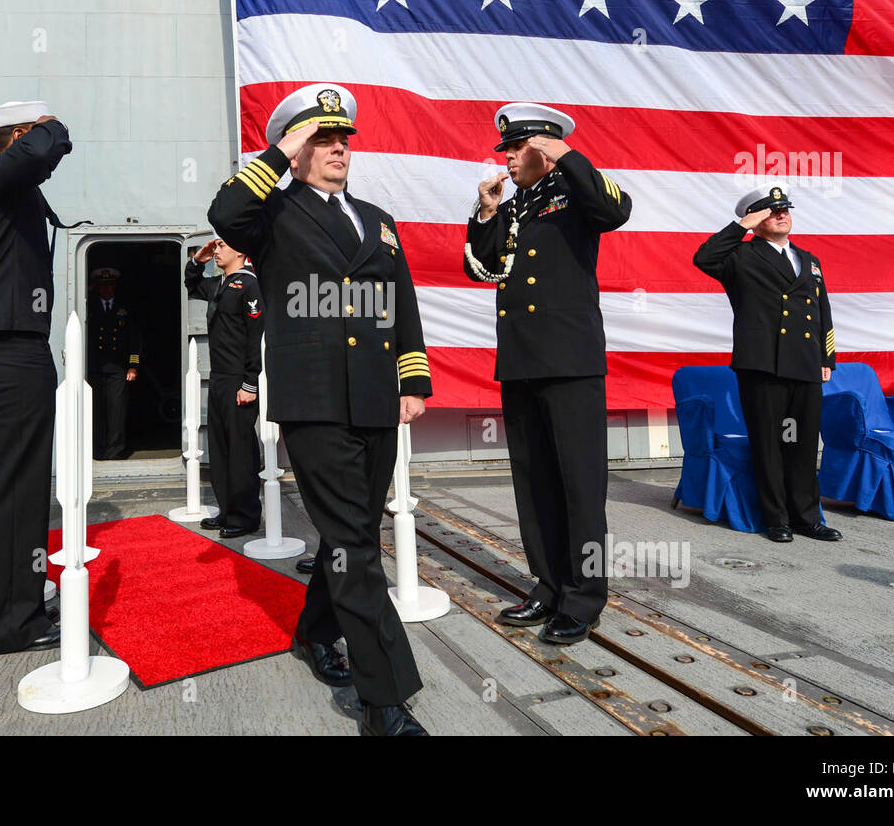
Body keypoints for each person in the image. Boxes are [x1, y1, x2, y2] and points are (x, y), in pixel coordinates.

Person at [209, 83, 433, 736]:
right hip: (314, 402)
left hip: (374, 399)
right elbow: (226, 211)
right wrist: (282, 147)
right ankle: (384, 700)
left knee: (347, 537)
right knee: (360, 550)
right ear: (298, 149)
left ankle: (312, 632)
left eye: (343, 139)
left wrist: (411, 377)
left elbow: (402, 304)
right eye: (322, 139)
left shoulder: (378, 217)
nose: (337, 148)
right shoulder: (273, 216)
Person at [464, 103, 632, 646]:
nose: (507, 159)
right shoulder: (517, 207)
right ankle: (548, 583)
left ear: (544, 147)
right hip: (522, 359)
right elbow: (482, 268)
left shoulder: (577, 191)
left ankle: (583, 596)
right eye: (506, 151)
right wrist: (487, 213)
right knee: (534, 481)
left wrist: (567, 155)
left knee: (579, 485)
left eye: (517, 149)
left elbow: (616, 210)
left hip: (571, 359)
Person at [0, 100, 76, 654]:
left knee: (0, 486)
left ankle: (6, 601)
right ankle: (8, 624)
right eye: (35, 132)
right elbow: (45, 146)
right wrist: (50, 128)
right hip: (10, 352)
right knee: (18, 489)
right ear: (20, 135)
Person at [693, 185, 841, 543]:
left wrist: (826, 357)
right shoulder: (740, 257)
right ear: (756, 220)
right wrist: (742, 225)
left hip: (805, 365)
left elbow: (822, 311)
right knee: (769, 444)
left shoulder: (809, 259)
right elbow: (703, 257)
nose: (781, 214)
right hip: (764, 365)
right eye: (771, 211)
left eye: (785, 208)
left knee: (803, 444)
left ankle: (807, 517)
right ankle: (776, 519)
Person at [185, 238, 264, 538]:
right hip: (218, 377)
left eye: (221, 246)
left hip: (238, 379)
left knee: (241, 449)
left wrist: (249, 383)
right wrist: (198, 260)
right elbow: (192, 285)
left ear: (241, 251)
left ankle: (245, 516)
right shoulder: (221, 284)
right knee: (219, 449)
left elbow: (255, 339)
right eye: (214, 246)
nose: (216, 250)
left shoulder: (249, 286)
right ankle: (228, 510)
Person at [85, 267, 139, 460]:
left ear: (115, 286)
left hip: (118, 369)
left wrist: (133, 366)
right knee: (96, 410)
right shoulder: (88, 306)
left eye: (110, 285)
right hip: (94, 368)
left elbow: (134, 339)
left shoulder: (124, 308)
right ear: (97, 287)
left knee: (116, 411)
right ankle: (97, 450)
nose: (107, 289)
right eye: (103, 286)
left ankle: (115, 451)